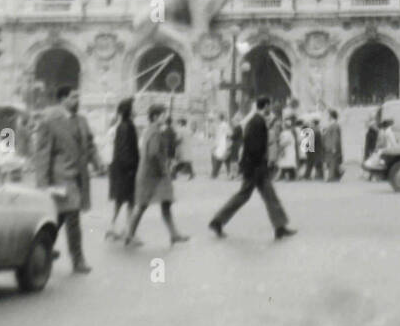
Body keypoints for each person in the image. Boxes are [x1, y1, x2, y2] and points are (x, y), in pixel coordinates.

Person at [208, 97, 296, 240]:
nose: (271, 108)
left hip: (255, 167)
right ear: (266, 106)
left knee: (269, 196)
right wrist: (260, 165)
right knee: (245, 196)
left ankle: (280, 227)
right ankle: (217, 221)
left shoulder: (254, 120)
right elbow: (254, 147)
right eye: (270, 106)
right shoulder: (257, 122)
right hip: (255, 168)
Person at [33, 86, 93, 274]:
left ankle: (40, 250)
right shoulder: (50, 122)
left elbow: (89, 144)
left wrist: (97, 161)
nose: (78, 100)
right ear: (63, 99)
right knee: (72, 218)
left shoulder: (81, 121)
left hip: (78, 177)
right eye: (74, 97)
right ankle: (78, 260)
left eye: (78, 96)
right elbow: (43, 154)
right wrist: (42, 184)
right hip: (60, 177)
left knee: (58, 218)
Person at [124, 104, 189, 247]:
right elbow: (153, 153)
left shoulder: (151, 130)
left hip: (151, 174)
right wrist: (164, 168)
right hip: (153, 175)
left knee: (165, 202)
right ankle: (129, 235)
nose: (165, 117)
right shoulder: (155, 132)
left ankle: (174, 234)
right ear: (155, 117)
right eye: (162, 115)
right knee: (143, 205)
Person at [106, 97, 138, 240]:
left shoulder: (125, 125)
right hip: (126, 170)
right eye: (133, 107)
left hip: (122, 169)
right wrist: (131, 167)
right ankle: (121, 229)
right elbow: (125, 150)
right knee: (125, 199)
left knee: (124, 200)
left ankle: (123, 228)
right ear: (129, 110)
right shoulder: (126, 127)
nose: (135, 110)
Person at [322, 110, 343, 181]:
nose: (328, 117)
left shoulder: (334, 125)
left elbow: (335, 137)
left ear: (332, 116)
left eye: (329, 115)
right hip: (329, 147)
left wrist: (334, 147)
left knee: (332, 162)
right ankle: (338, 174)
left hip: (331, 147)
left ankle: (331, 177)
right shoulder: (332, 125)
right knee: (332, 162)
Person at [212, 114, 232, 178]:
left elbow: (226, 134)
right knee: (223, 159)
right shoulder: (223, 125)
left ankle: (215, 174)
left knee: (220, 158)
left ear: (220, 119)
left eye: (217, 119)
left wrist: (216, 144)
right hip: (222, 144)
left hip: (222, 144)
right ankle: (215, 173)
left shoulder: (223, 125)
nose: (216, 120)